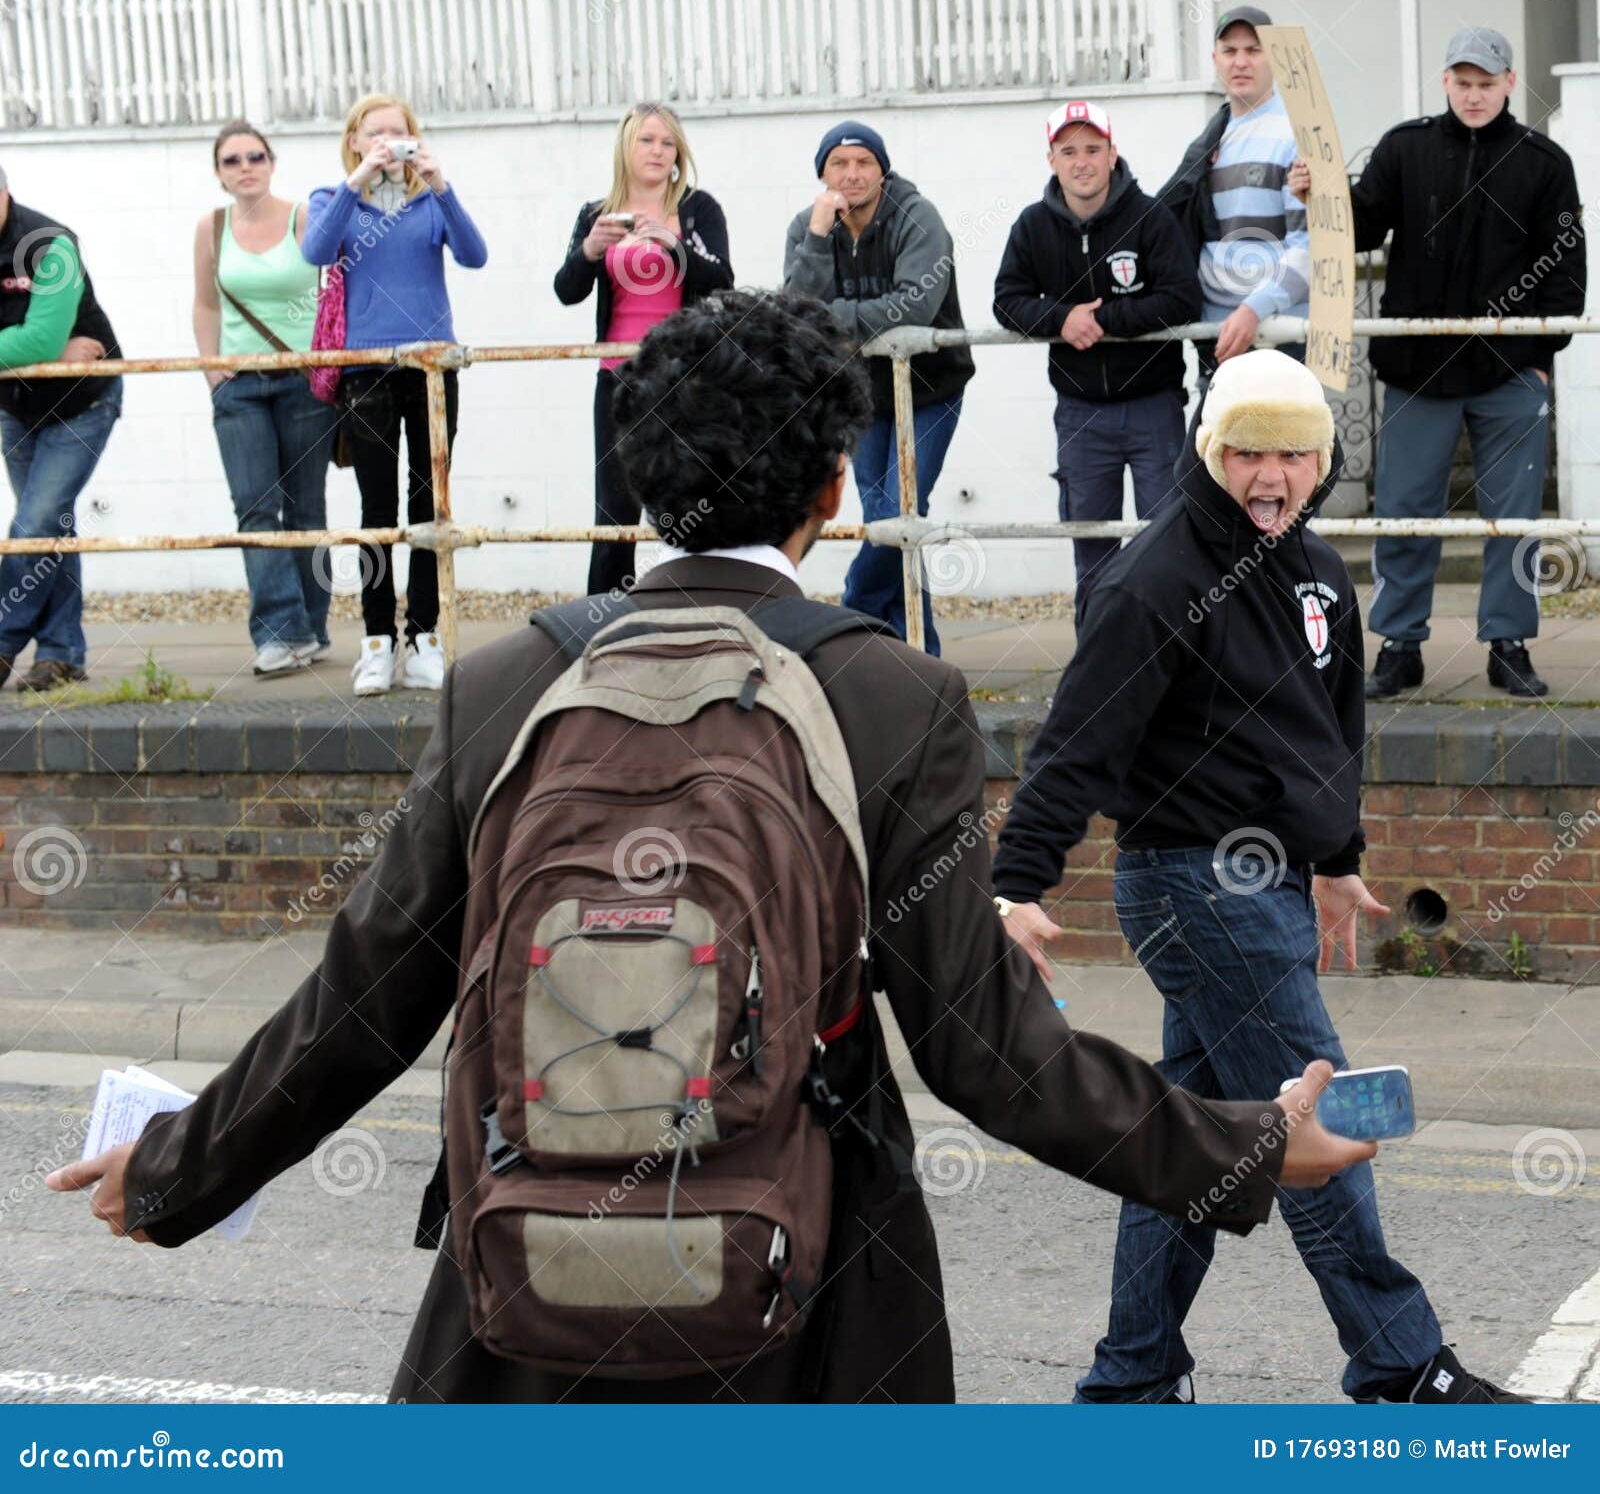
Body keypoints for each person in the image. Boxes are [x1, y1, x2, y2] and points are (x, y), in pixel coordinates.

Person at [50, 293, 1372, 1405]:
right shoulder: (894, 701)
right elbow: (994, 1055)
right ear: (836, 487)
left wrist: (170, 1173)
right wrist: (1252, 1146)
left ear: (644, 478)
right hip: (813, 1295)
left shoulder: (505, 684)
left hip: (527, 1274)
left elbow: (362, 1002)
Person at [991, 348, 1526, 1406]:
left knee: (1193, 1142)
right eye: (1248, 451)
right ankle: (1402, 1367)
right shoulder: (1153, 579)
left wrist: (1337, 862)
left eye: (1292, 451)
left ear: (1319, 461)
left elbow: (1331, 728)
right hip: (1198, 888)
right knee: (1315, 1121)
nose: (1270, 471)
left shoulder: (1317, 569)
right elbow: (1076, 743)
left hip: (1272, 886)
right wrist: (1018, 883)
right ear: (1210, 452)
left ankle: (1134, 1375)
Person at [1301, 28, 1586, 700]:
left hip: (1511, 374)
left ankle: (1508, 645)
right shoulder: (1405, 148)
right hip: (1416, 372)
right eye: (1463, 82)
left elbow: (1566, 274)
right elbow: (1359, 228)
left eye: (1486, 83)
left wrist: (1541, 362)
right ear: (1445, 82)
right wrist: (1320, 196)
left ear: (1510, 83)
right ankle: (1400, 647)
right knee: (1404, 512)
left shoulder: (1545, 163)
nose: (1474, 94)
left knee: (1513, 519)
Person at [302, 93, 488, 697]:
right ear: (355, 139)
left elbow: (474, 254)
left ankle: (425, 637)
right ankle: (377, 641)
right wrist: (358, 179)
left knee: (430, 509)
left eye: (398, 134)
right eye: (374, 134)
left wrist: (442, 185)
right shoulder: (334, 199)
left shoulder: (428, 200)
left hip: (432, 367)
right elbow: (315, 251)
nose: (387, 144)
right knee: (376, 511)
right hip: (368, 370)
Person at [994, 101, 1202, 626]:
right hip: (1080, 414)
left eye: (1092, 148)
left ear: (1113, 154)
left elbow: (1182, 299)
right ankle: (1099, 667)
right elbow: (1006, 300)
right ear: (1051, 159)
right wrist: (1061, 319)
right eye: (1069, 151)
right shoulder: (1032, 225)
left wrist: (1105, 320)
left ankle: (1174, 660)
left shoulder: (1151, 216)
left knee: (1167, 541)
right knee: (1092, 550)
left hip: (1155, 408)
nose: (1081, 161)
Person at [783, 121, 973, 655]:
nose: (852, 174)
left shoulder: (918, 218)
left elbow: (912, 307)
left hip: (930, 389)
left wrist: (832, 317)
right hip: (860, 396)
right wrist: (820, 240)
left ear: (882, 170)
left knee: (898, 509)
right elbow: (797, 311)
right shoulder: (807, 227)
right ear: (822, 173)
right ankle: (915, 654)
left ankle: (854, 614)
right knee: (890, 523)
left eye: (864, 162)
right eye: (839, 164)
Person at [554, 101, 733, 598]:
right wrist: (589, 251)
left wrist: (673, 246)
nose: (658, 151)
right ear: (626, 147)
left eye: (668, 142)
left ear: (679, 153)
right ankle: (603, 629)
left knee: (686, 507)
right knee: (613, 513)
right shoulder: (596, 213)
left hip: (683, 378)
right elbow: (566, 290)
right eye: (647, 140)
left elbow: (723, 282)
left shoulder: (699, 209)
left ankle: (692, 619)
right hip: (618, 378)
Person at [193, 120, 335, 679]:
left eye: (255, 156)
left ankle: (312, 627)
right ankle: (280, 633)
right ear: (220, 174)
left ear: (272, 163)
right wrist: (212, 368)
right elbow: (204, 304)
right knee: (255, 508)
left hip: (303, 379)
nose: (245, 167)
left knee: (306, 509)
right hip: (241, 387)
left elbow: (333, 284)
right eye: (232, 160)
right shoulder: (212, 227)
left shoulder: (304, 216)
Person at [0, 165, 122, 693]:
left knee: (34, 525)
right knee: (52, 526)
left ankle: (3, 642)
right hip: (15, 405)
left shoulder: (51, 245)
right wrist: (30, 344)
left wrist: (41, 345)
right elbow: (29, 343)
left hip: (83, 400)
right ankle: (62, 652)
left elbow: (40, 346)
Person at [1158, 5, 1308, 379]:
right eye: (1230, 50)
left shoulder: (1299, 136)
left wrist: (1253, 310)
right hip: (1217, 339)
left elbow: (1309, 250)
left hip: (1278, 336)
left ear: (1275, 56)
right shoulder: (1207, 142)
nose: (1240, 61)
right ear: (1215, 59)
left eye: (1253, 50)